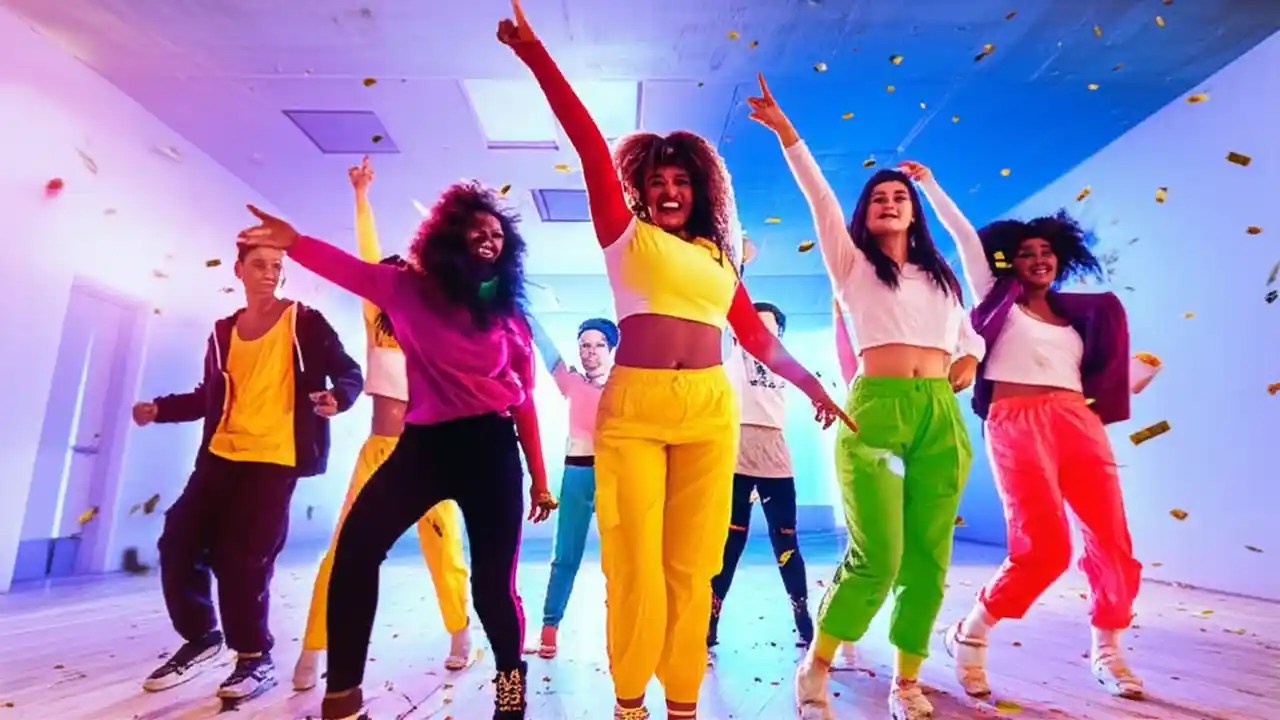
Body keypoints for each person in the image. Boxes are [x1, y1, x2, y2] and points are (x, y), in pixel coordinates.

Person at [498, 5, 853, 718]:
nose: (667, 190)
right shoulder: (623, 234)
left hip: (708, 413)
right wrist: (536, 55)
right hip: (635, 410)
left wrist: (814, 384)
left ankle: (684, 702)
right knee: (635, 568)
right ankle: (630, 702)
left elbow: (754, 335)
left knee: (693, 569)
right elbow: (590, 146)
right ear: (640, 186)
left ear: (700, 189)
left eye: (681, 181)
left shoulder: (721, 257)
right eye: (657, 179)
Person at [236, 180, 556, 720]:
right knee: (355, 551)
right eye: (477, 229)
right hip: (423, 446)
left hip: (490, 449)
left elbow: (523, 404)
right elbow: (351, 269)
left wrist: (540, 480)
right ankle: (342, 694)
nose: (489, 238)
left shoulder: (510, 318)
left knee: (491, 588)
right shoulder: (407, 289)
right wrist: (294, 242)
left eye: (498, 233)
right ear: (449, 236)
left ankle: (510, 681)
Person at [747, 74, 984, 720]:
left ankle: (906, 680)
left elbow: (971, 337)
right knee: (878, 553)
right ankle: (817, 661)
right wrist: (787, 132)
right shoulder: (850, 264)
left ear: (913, 211)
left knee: (929, 554)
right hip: (874, 412)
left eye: (899, 196)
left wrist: (968, 356)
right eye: (878, 196)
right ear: (866, 210)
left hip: (939, 414)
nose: (889, 201)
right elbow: (820, 198)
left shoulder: (941, 278)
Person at [914, 186, 1143, 700]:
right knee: (1044, 547)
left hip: (1076, 421)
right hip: (1015, 421)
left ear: (1059, 260)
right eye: (1026, 252)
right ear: (1010, 261)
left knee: (1112, 540)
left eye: (1047, 252)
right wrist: (928, 184)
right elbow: (965, 238)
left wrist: (1136, 375)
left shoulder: (1078, 319)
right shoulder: (997, 301)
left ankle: (1108, 649)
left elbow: (1093, 380)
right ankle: (969, 633)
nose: (1038, 259)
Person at [131, 243, 363, 702]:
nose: (269, 273)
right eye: (259, 264)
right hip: (220, 455)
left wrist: (339, 397)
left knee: (242, 559)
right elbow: (207, 397)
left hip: (275, 458)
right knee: (177, 539)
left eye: (277, 266)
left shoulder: (306, 322)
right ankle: (201, 637)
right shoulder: (222, 333)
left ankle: (254, 657)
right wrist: (160, 409)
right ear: (238, 270)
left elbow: (349, 372)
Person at [293, 157, 474, 692]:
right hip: (380, 450)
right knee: (344, 549)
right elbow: (365, 254)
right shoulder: (377, 320)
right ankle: (313, 646)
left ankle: (461, 632)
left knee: (444, 548)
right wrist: (362, 195)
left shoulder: (441, 324)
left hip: (430, 452)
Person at [708, 302, 814, 650]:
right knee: (729, 543)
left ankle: (801, 612)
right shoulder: (732, 354)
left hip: (775, 459)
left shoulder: (785, 364)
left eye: (769, 329)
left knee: (786, 541)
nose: (760, 334)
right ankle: (710, 619)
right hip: (735, 456)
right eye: (753, 327)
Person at [525, 313, 618, 658]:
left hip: (614, 475)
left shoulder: (625, 384)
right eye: (584, 346)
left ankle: (619, 633)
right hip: (576, 474)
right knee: (565, 554)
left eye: (598, 346)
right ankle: (549, 630)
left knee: (619, 560)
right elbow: (546, 348)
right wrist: (524, 311)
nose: (590, 352)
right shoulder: (572, 383)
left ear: (611, 349)